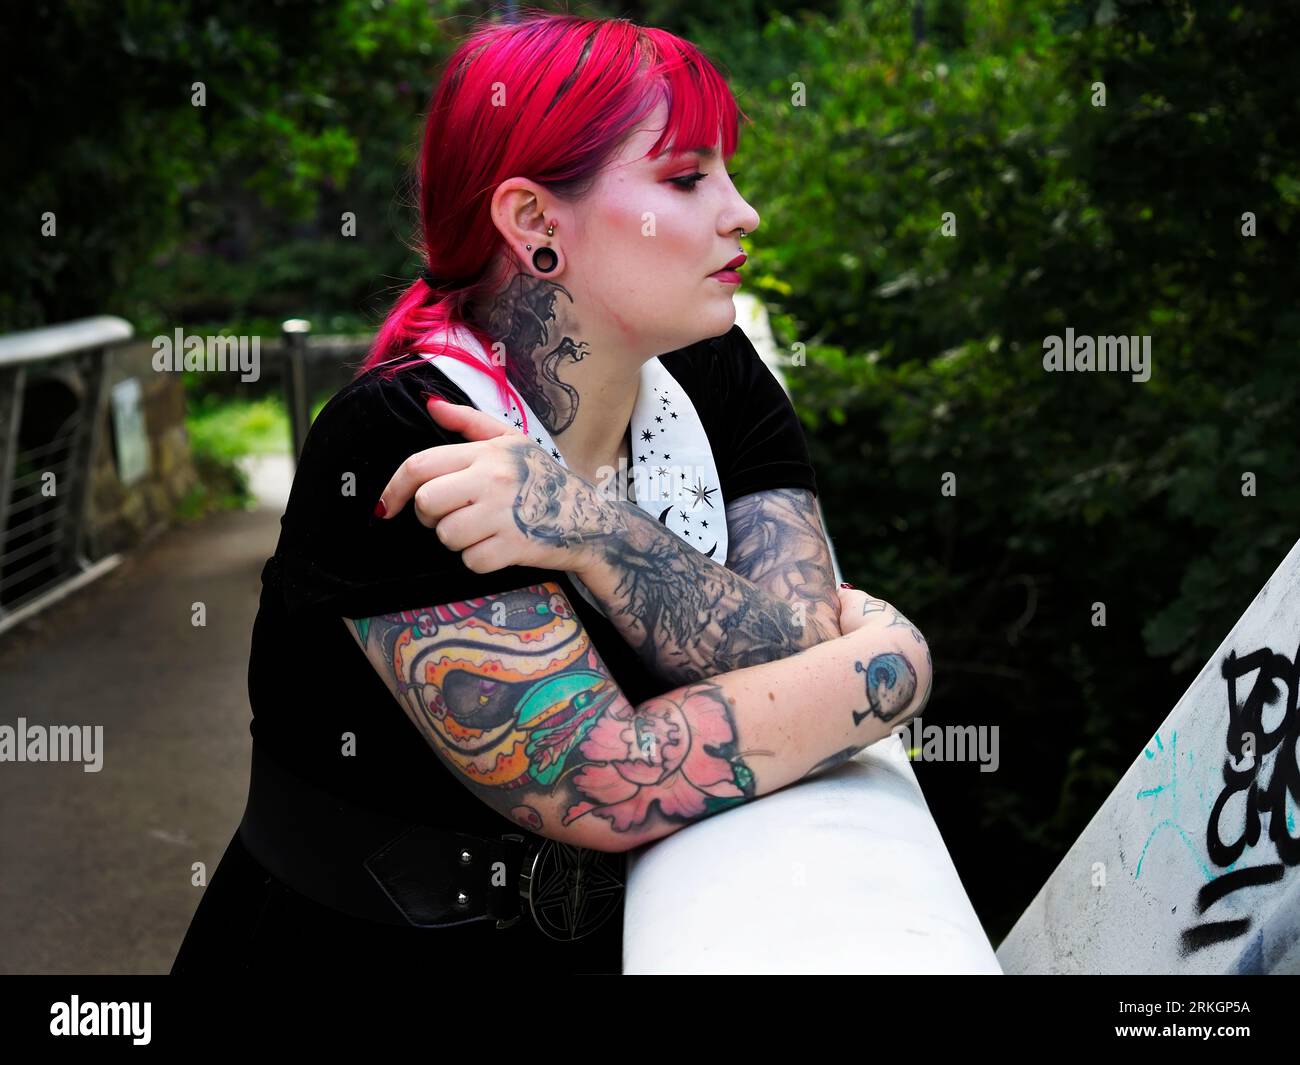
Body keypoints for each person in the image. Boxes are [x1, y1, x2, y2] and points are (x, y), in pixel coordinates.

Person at [172, 11, 931, 975]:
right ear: (535, 221)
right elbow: (606, 782)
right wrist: (899, 657)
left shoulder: (716, 371)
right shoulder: (408, 439)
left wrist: (589, 531)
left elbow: (801, 647)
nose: (743, 212)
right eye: (688, 178)